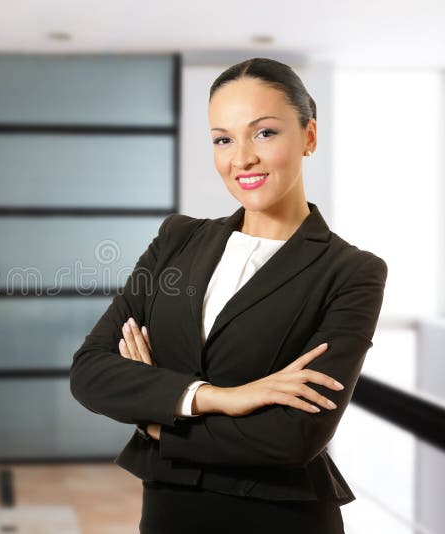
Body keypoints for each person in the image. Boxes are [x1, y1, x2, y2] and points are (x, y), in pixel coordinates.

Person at [69, 57, 388, 534]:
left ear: (309, 136)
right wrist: (219, 399)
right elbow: (91, 371)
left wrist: (157, 419)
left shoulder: (350, 272)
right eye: (223, 139)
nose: (241, 158)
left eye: (264, 133)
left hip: (281, 521)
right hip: (169, 517)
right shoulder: (177, 240)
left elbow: (294, 437)